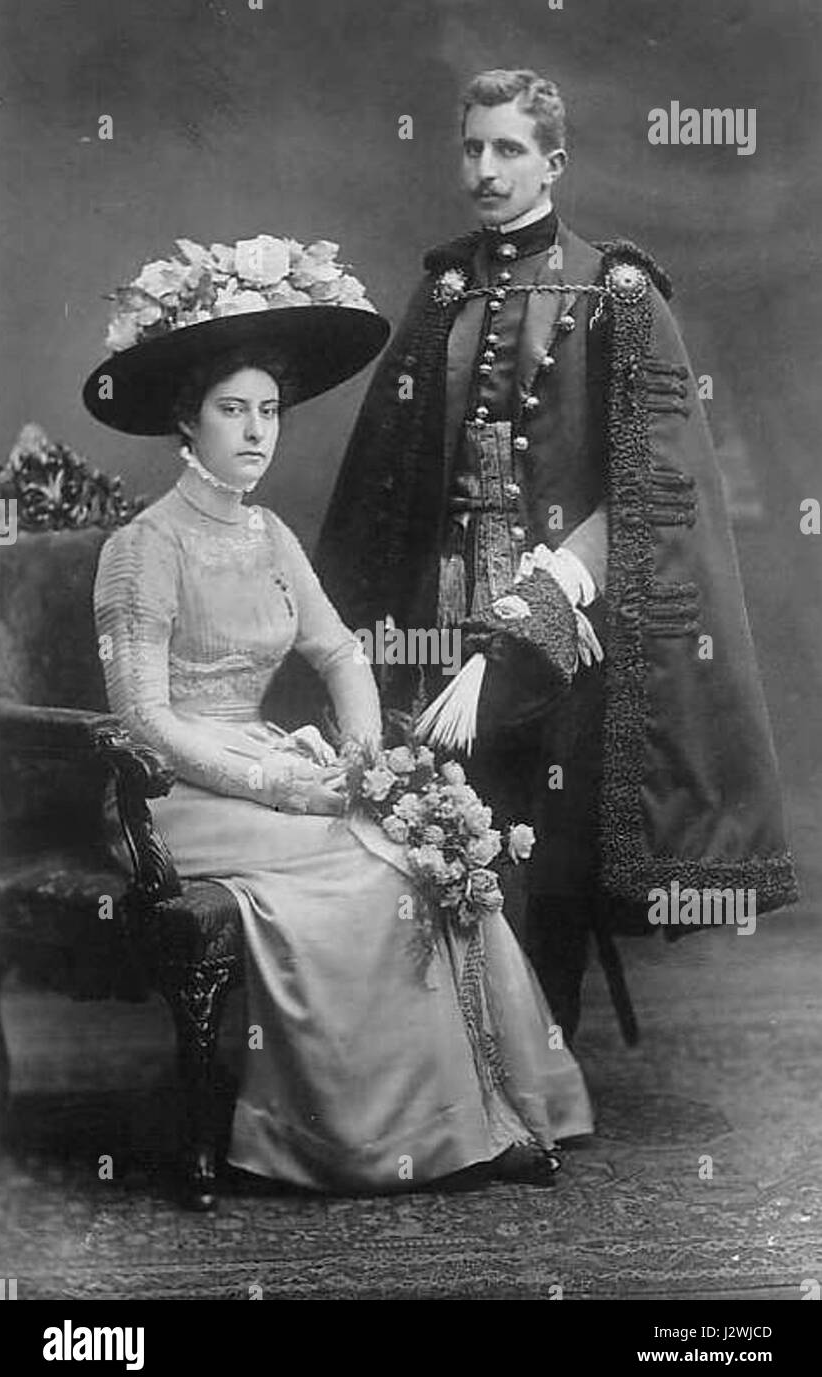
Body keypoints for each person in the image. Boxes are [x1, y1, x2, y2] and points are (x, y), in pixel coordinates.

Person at [84, 233, 593, 1201]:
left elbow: (340, 653)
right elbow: (143, 722)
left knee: (423, 851)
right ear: (185, 423)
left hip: (277, 765)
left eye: (268, 411)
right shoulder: (141, 549)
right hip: (171, 795)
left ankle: (486, 1112)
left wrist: (362, 761)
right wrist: (282, 784)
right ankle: (367, 1135)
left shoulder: (270, 534)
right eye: (231, 410)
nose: (256, 432)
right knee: (370, 871)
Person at [315, 70, 799, 1044]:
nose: (485, 170)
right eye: (471, 147)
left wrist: (544, 597)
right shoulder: (441, 292)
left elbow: (652, 488)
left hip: (565, 621)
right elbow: (392, 482)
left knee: (542, 848)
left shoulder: (616, 294)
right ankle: (440, 1071)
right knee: (420, 830)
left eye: (508, 149)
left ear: (553, 162)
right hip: (438, 612)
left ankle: (538, 1063)